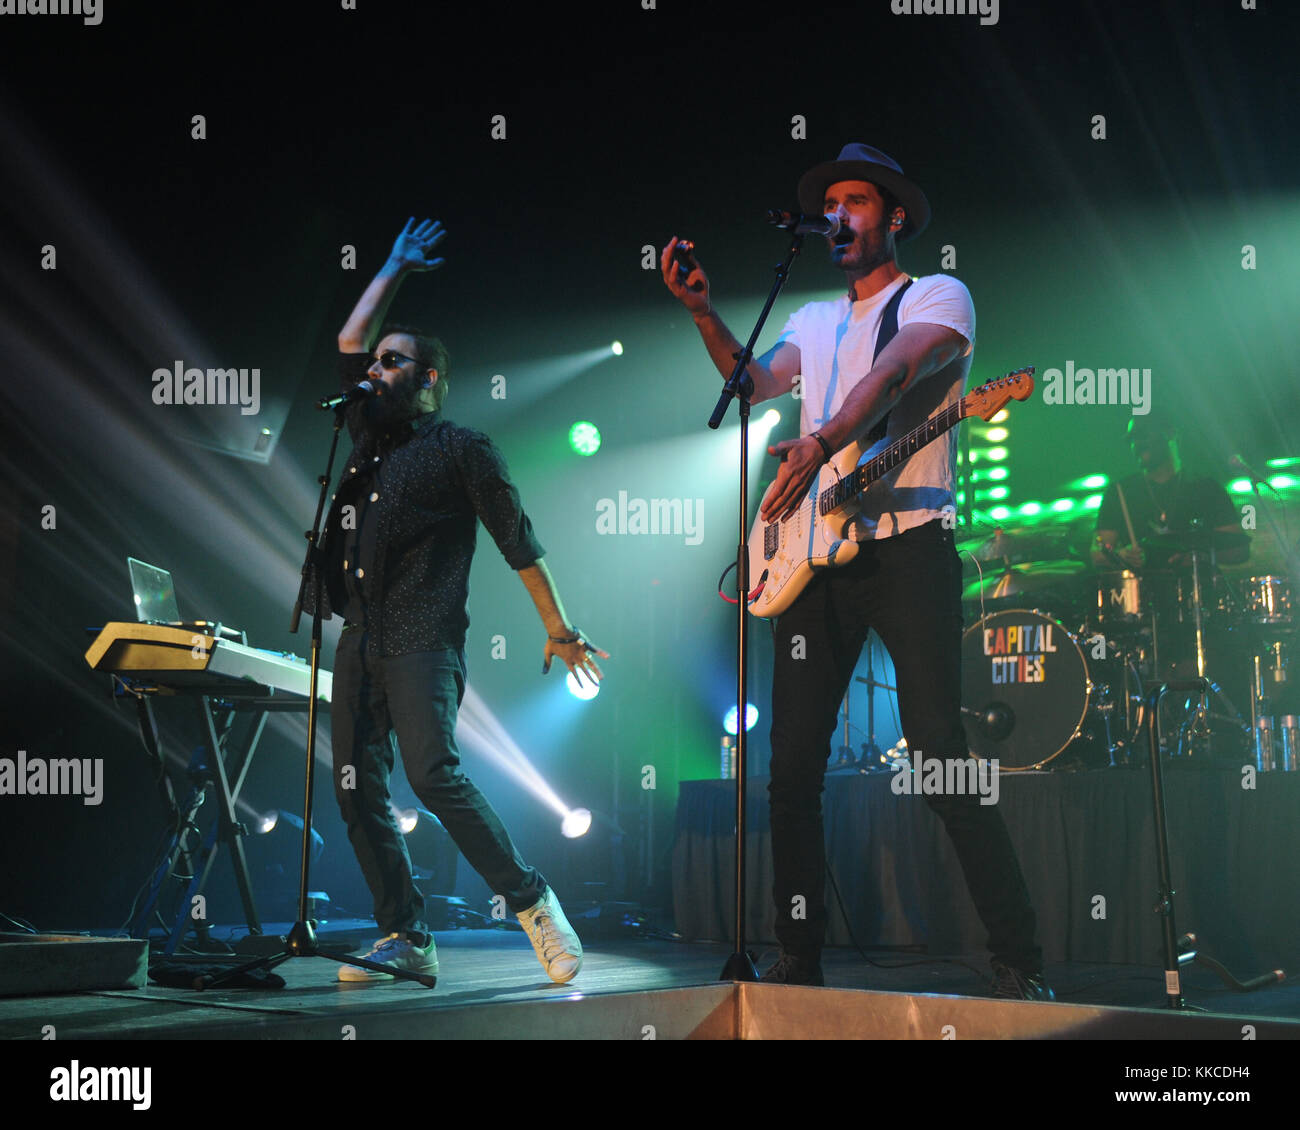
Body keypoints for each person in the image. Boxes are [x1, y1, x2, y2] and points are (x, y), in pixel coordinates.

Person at [661, 144, 1049, 999]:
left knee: (940, 752)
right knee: (790, 765)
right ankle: (798, 955)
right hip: (817, 561)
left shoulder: (940, 295)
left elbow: (898, 370)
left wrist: (826, 439)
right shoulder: (809, 318)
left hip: (909, 546)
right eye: (827, 202)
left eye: (854, 200)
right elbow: (755, 382)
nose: (835, 214)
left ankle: (1019, 957)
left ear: (893, 217)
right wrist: (701, 313)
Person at [312, 217, 608, 985]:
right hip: (361, 636)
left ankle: (533, 901)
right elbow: (350, 341)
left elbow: (520, 543)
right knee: (354, 786)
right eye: (376, 362)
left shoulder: (461, 449)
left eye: (393, 361)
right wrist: (393, 267)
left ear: (431, 378)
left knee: (433, 775)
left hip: (423, 637)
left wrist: (561, 630)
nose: (375, 369)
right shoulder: (367, 438)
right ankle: (406, 935)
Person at [1091, 416, 1247, 571]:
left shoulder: (1206, 488)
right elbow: (1097, 553)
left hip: (1200, 589)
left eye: (1143, 435)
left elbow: (1239, 551)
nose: (1136, 444)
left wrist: (1197, 558)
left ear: (1171, 434)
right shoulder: (1119, 492)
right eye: (1131, 440)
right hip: (1141, 592)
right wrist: (1120, 555)